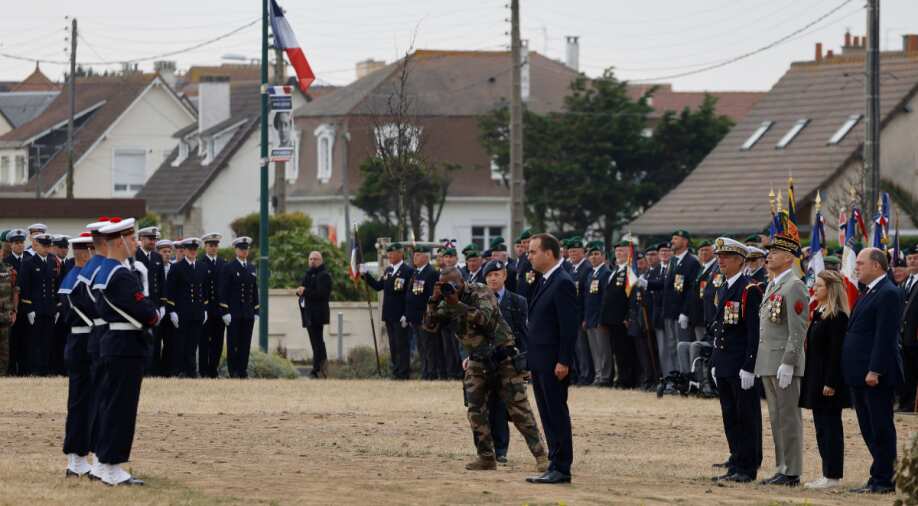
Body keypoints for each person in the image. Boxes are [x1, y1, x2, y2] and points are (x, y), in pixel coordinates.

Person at [422, 266, 548, 473]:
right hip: (477, 361)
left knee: (519, 410)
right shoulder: (445, 300)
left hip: (502, 357)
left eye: (453, 284)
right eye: (445, 285)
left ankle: (542, 456)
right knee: (475, 410)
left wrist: (457, 304)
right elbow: (429, 326)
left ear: (462, 281)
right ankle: (486, 457)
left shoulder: (481, 291)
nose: (450, 288)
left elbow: (485, 319)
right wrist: (434, 300)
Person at [92, 217, 162, 485]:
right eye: (131, 239)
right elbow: (146, 312)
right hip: (126, 345)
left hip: (115, 343)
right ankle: (113, 467)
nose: (135, 243)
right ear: (119, 241)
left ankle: (104, 463)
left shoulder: (106, 271)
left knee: (111, 405)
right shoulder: (120, 274)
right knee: (121, 409)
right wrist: (153, 312)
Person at [843, 247, 904, 494]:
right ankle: (878, 474)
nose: (856, 267)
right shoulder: (870, 291)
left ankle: (885, 479)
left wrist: (875, 370)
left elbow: (885, 336)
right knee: (868, 427)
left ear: (876, 266)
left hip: (875, 374)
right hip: (860, 372)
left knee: (880, 428)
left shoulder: (888, 292)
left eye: (860, 263)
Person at [756, 232, 808, 487]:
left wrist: (789, 361)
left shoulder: (795, 285)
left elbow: (798, 329)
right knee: (777, 418)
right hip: (768, 361)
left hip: (783, 363)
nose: (769, 256)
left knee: (788, 417)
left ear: (788, 258)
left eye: (774, 253)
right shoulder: (773, 283)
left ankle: (792, 471)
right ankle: (782, 467)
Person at [710, 237, 763, 483]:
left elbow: (754, 332)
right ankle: (736, 458)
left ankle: (747, 466)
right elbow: (720, 328)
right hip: (724, 362)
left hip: (740, 364)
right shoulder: (724, 286)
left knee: (746, 416)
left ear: (739, 261)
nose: (720, 261)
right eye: (719, 256)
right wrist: (714, 361)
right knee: (729, 415)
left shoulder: (749, 289)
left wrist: (750, 365)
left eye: (726, 257)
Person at [525, 233, 577, 484]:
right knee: (546, 413)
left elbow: (568, 327)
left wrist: (564, 360)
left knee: (556, 412)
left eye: (533, 251)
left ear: (549, 253)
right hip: (540, 359)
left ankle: (562, 466)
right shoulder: (546, 280)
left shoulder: (563, 282)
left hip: (553, 361)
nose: (529, 256)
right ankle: (554, 463)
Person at [799, 270, 850, 489]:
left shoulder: (837, 316)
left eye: (819, 286)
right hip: (815, 377)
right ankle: (826, 472)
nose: (814, 289)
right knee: (821, 426)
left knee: (830, 428)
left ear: (830, 289)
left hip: (828, 381)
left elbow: (836, 353)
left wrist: (831, 382)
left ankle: (833, 475)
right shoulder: (820, 312)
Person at [481, 259, 529, 463]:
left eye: (497, 274)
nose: (493, 278)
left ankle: (501, 450)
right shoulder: (476, 301)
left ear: (505, 277)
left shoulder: (518, 301)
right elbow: (464, 331)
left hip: (508, 362)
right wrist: (466, 356)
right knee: (483, 407)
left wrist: (527, 363)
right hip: (483, 361)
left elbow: (524, 335)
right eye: (490, 275)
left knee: (504, 407)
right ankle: (485, 450)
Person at [645, 230, 700, 388]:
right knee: (671, 348)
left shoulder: (691, 262)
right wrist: (647, 284)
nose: (673, 241)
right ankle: (675, 379)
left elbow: (691, 290)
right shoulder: (674, 261)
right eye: (673, 238)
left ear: (685, 242)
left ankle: (686, 380)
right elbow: (666, 284)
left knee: (682, 347)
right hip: (669, 312)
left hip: (680, 313)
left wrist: (685, 312)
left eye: (676, 238)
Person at [60, 233, 95, 477]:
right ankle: (78, 460)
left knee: (81, 403)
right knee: (83, 403)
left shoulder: (73, 276)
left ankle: (77, 459)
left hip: (79, 341)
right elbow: (90, 310)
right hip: (84, 342)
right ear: (84, 252)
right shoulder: (80, 278)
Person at [363, 243, 414, 380]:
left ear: (400, 253)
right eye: (389, 254)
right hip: (389, 314)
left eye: (392, 253)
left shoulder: (407, 271)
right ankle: (396, 371)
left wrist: (406, 314)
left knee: (402, 345)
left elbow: (409, 295)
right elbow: (379, 286)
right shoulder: (388, 271)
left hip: (400, 315)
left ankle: (403, 373)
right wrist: (365, 275)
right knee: (393, 345)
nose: (390, 256)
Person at [165, 238, 207, 377]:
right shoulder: (177, 267)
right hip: (182, 313)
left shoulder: (201, 267)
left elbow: (204, 289)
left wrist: (205, 309)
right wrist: (171, 311)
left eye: (195, 250)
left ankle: (191, 371)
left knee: (193, 344)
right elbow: (170, 291)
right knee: (180, 344)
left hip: (197, 312)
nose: (192, 252)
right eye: (190, 250)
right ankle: (178, 370)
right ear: (185, 251)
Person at [18, 233, 58, 376]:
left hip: (49, 308)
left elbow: (55, 286)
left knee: (48, 340)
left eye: (48, 246)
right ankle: (35, 369)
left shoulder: (53, 262)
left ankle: (45, 368)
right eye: (44, 246)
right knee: (34, 341)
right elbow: (24, 287)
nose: (46, 249)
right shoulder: (28, 262)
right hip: (35, 308)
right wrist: (28, 308)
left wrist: (56, 307)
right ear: (37, 246)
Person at [221, 237, 259, 379]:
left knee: (245, 344)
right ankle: (233, 371)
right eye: (241, 249)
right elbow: (224, 291)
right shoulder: (229, 267)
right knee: (233, 344)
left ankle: (243, 370)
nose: (244, 251)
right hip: (234, 312)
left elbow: (254, 290)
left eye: (246, 249)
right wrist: (225, 311)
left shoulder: (251, 267)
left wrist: (256, 310)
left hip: (248, 313)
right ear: (236, 250)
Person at [602, 241, 637, 388]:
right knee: (617, 350)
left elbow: (631, 297)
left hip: (621, 319)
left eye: (622, 251)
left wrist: (628, 316)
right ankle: (621, 377)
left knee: (625, 350)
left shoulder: (629, 271)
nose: (619, 254)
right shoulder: (615, 271)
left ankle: (627, 380)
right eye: (617, 251)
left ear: (628, 254)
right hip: (611, 319)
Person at [405, 245, 440, 380]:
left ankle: (431, 373)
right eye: (414, 255)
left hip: (425, 317)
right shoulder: (416, 272)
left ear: (426, 257)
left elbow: (432, 296)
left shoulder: (431, 273)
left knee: (429, 346)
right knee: (421, 346)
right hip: (415, 317)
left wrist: (430, 315)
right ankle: (425, 371)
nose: (415, 257)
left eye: (418, 255)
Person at [135, 227, 167, 375]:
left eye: (154, 239)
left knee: (155, 339)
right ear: (141, 239)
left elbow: (161, 283)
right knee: (141, 338)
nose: (153, 242)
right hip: (140, 304)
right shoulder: (134, 256)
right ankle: (142, 370)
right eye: (149, 238)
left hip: (155, 305)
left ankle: (154, 370)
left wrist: (162, 305)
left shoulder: (157, 257)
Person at [296, 250, 331, 379]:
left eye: (315, 259)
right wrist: (300, 291)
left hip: (318, 314)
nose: (312, 261)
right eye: (310, 259)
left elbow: (321, 294)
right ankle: (321, 368)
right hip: (309, 313)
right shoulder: (308, 274)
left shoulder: (324, 275)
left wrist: (304, 291)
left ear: (321, 261)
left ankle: (317, 369)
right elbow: (304, 289)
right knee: (315, 342)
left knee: (317, 342)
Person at [583, 241, 612, 386]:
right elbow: (588, 299)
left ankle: (605, 376)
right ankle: (598, 374)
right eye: (591, 255)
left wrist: (602, 319)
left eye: (596, 254)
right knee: (595, 349)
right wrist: (585, 318)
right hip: (590, 317)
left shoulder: (605, 273)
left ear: (603, 256)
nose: (593, 257)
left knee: (603, 349)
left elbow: (605, 299)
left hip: (600, 318)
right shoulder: (591, 274)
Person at [566, 237, 593, 386]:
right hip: (570, 315)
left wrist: (584, 317)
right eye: (570, 250)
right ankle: (576, 374)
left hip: (581, 314)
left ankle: (586, 375)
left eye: (576, 250)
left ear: (583, 252)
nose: (573, 253)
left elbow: (586, 296)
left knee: (583, 349)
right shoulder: (570, 268)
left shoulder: (587, 268)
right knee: (574, 348)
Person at [200, 233, 225, 379]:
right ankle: (203, 370)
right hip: (206, 309)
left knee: (218, 341)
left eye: (215, 245)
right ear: (206, 247)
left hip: (219, 309)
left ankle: (213, 370)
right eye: (211, 245)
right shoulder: (201, 262)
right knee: (204, 341)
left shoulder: (223, 263)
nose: (213, 248)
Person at [0, 235, 16, 376]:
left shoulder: (9, 270)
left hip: (6, 317)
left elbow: (15, 291)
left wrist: (14, 311)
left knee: (5, 352)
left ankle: (3, 378)